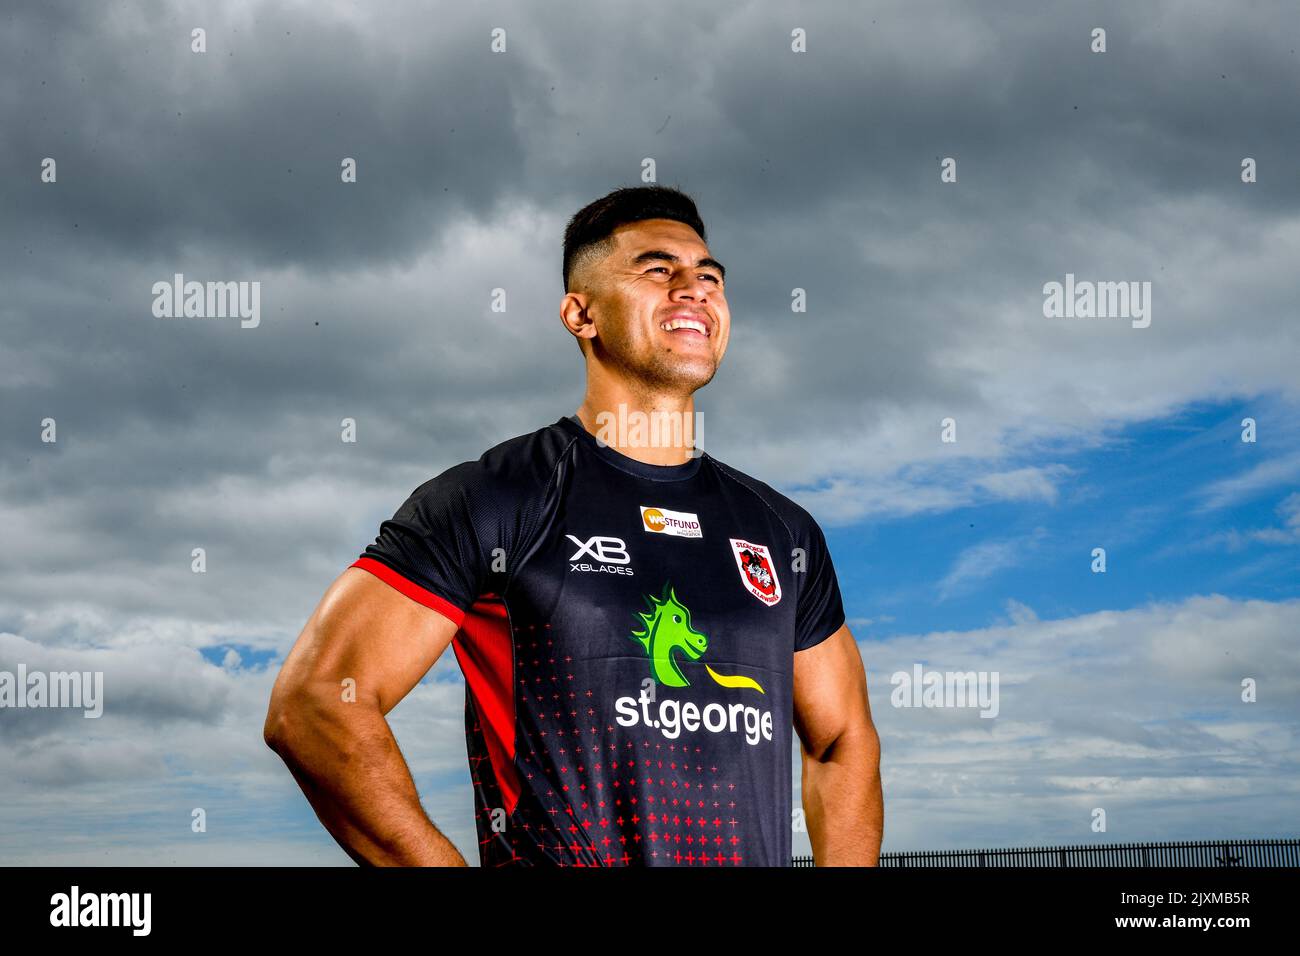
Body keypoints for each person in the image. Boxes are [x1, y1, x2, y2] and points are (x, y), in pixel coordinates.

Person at [263, 185, 883, 866]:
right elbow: (315, 705)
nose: (693, 289)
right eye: (657, 271)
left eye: (709, 276)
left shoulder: (781, 532)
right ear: (579, 314)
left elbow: (841, 738)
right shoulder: (499, 498)